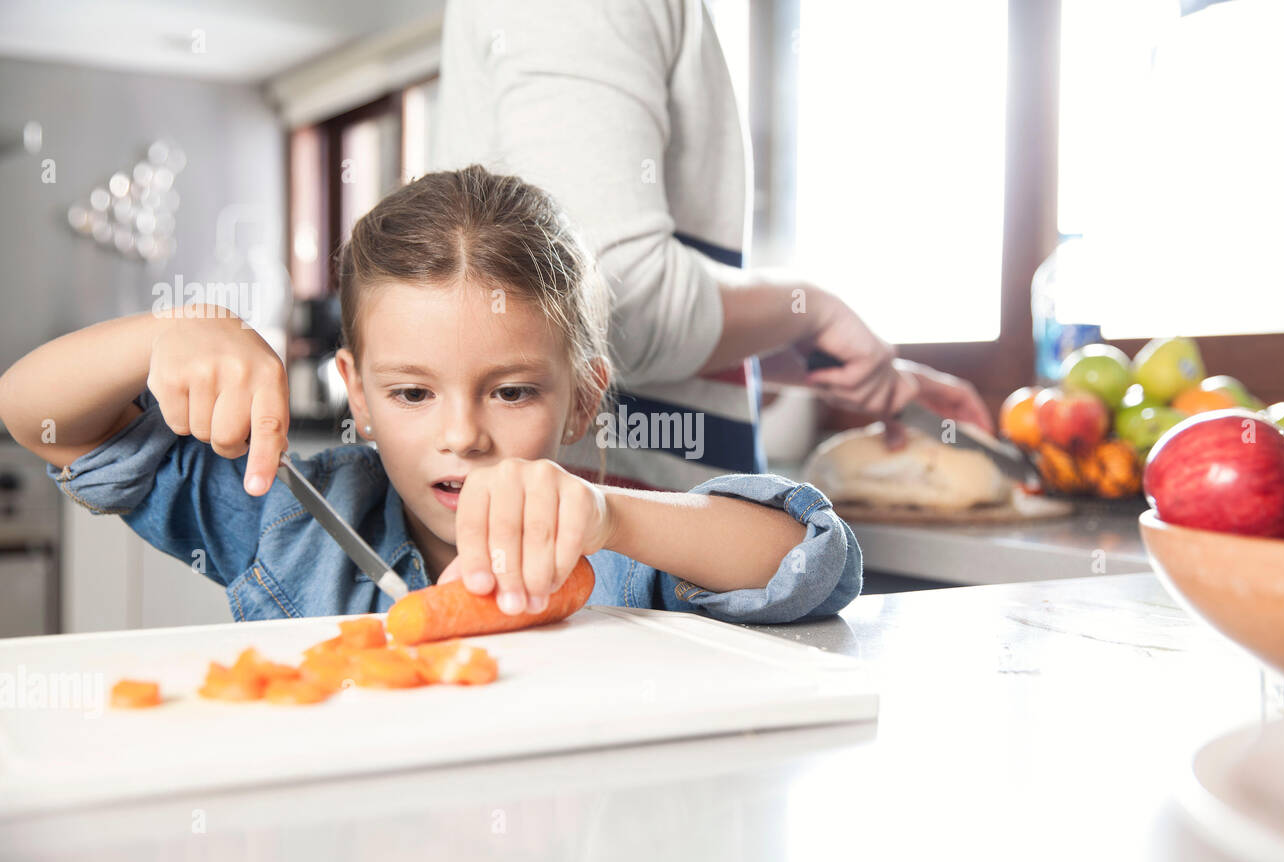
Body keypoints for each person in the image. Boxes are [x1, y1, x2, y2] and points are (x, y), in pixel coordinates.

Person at [0, 167, 862, 623]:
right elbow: (37, 417)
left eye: (513, 390)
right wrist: (162, 335)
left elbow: (814, 561)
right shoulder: (291, 519)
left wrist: (613, 518)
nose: (463, 436)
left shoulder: (623, 553)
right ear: (358, 394)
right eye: (412, 393)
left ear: (585, 398)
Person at [433, 0, 994, 493]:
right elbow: (612, 298)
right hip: (611, 563)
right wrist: (812, 309)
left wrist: (838, 364)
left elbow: (579, 326)